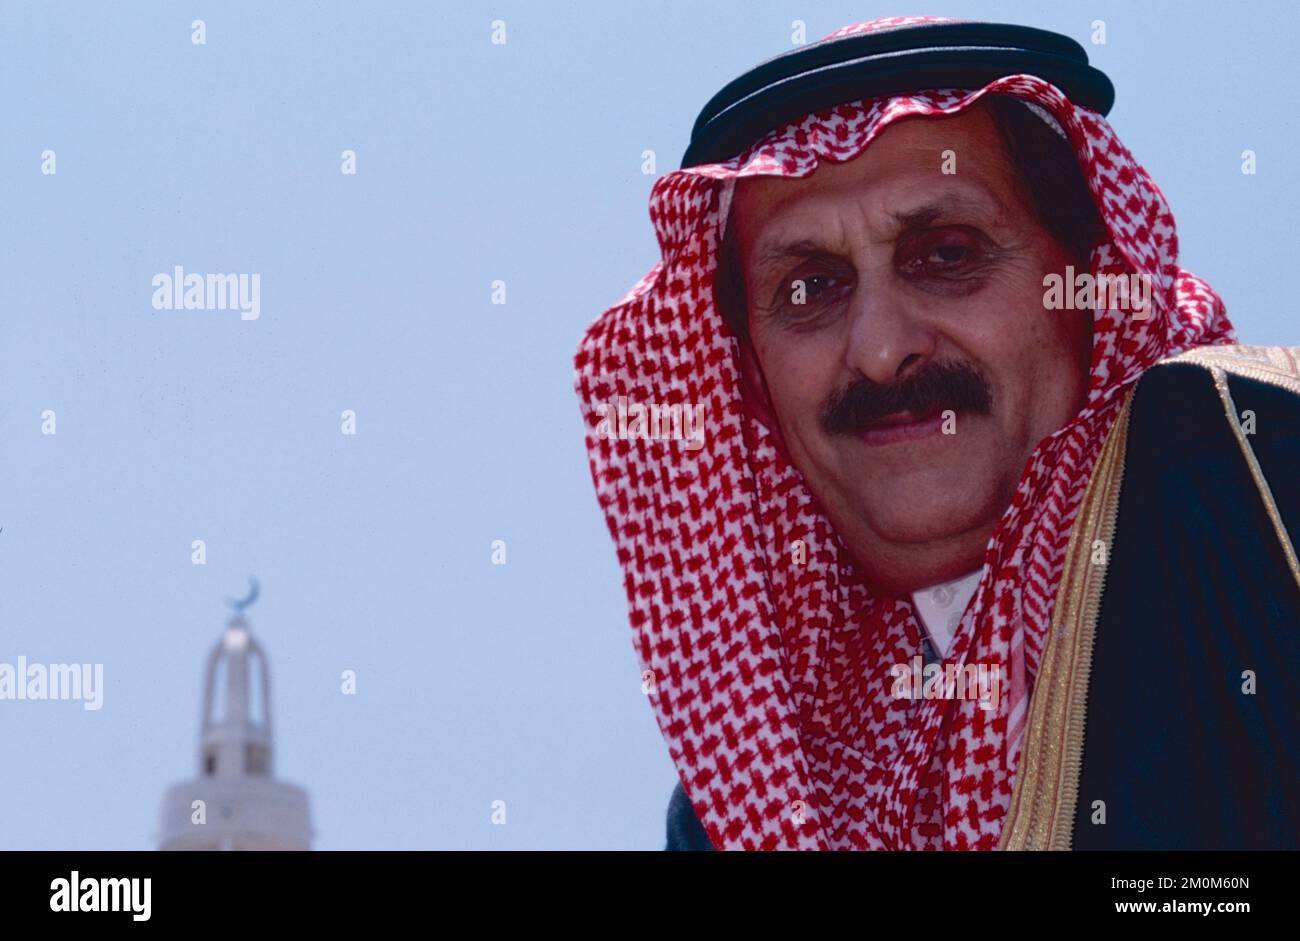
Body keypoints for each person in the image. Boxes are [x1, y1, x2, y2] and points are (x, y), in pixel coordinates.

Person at [573, 16, 1300, 850]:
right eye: (810, 289)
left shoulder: (1252, 468)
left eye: (947, 255)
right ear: (752, 378)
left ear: (1093, 286)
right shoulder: (750, 803)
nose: (881, 350)